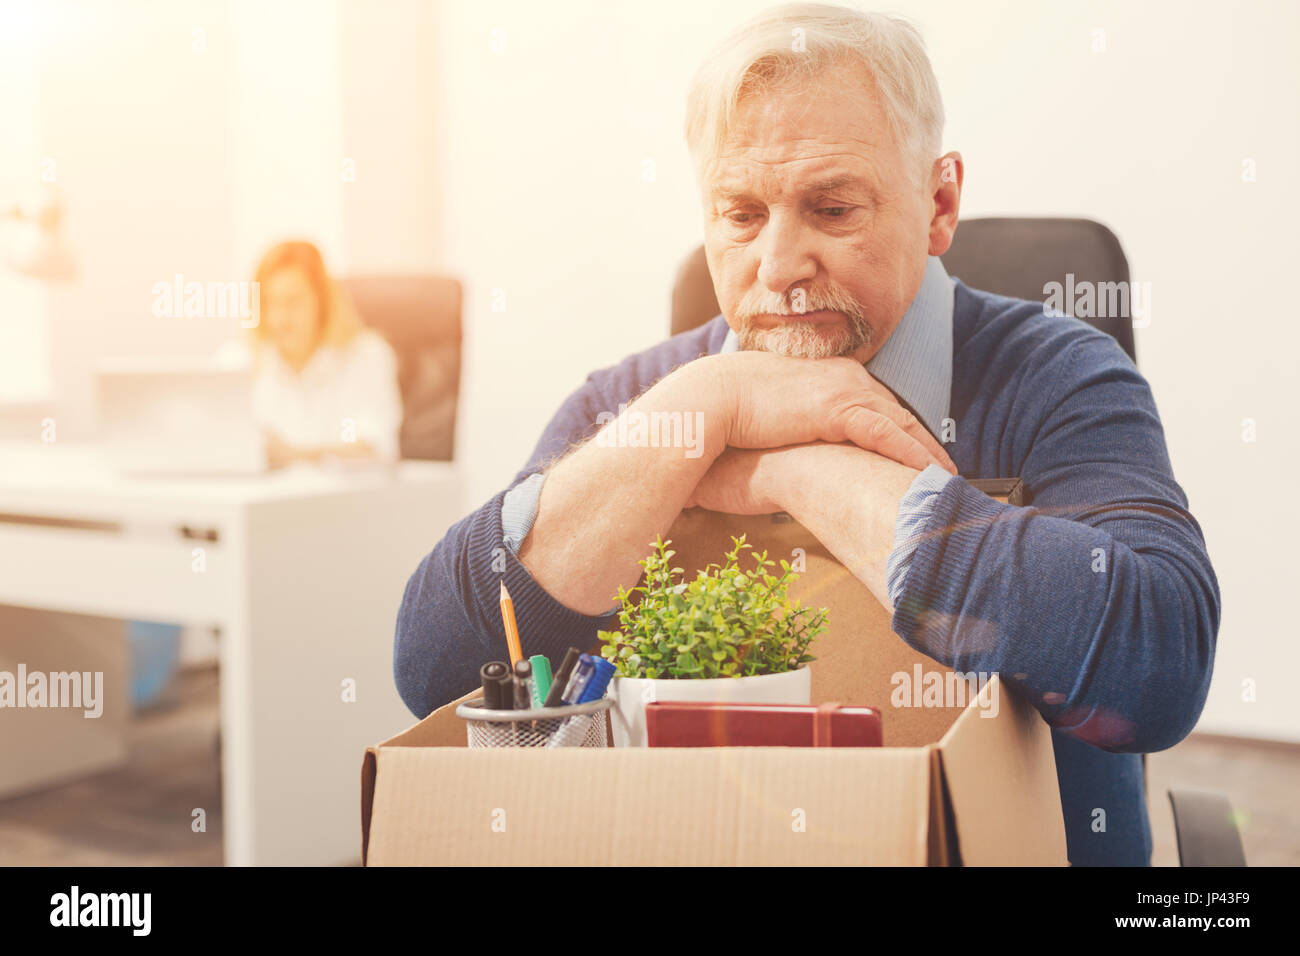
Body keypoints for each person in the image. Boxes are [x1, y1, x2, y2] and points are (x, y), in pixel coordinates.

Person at [392, 4, 1219, 866]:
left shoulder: (1059, 376)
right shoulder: (635, 401)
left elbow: (1157, 671)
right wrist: (711, 406)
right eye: (741, 216)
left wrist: (808, 467)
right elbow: (435, 673)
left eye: (830, 209)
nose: (778, 266)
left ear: (938, 205)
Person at [227, 240, 403, 467]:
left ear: (322, 302)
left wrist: (296, 455)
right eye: (270, 303)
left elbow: (375, 447)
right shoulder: (240, 361)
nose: (281, 319)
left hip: (342, 500)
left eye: (293, 302)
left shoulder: (364, 357)